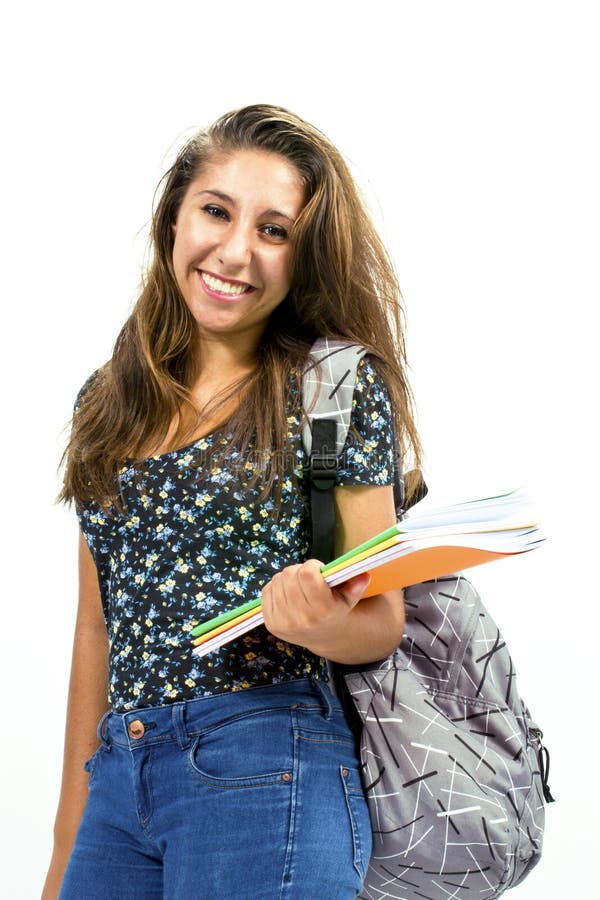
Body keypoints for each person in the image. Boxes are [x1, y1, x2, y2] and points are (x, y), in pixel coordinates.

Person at [43, 104, 423, 900]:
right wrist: (67, 839)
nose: (236, 250)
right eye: (217, 211)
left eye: (275, 230)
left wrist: (320, 622)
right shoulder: (108, 403)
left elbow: (381, 619)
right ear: (175, 218)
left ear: (301, 258)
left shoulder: (332, 388)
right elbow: (98, 629)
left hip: (265, 763)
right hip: (118, 784)